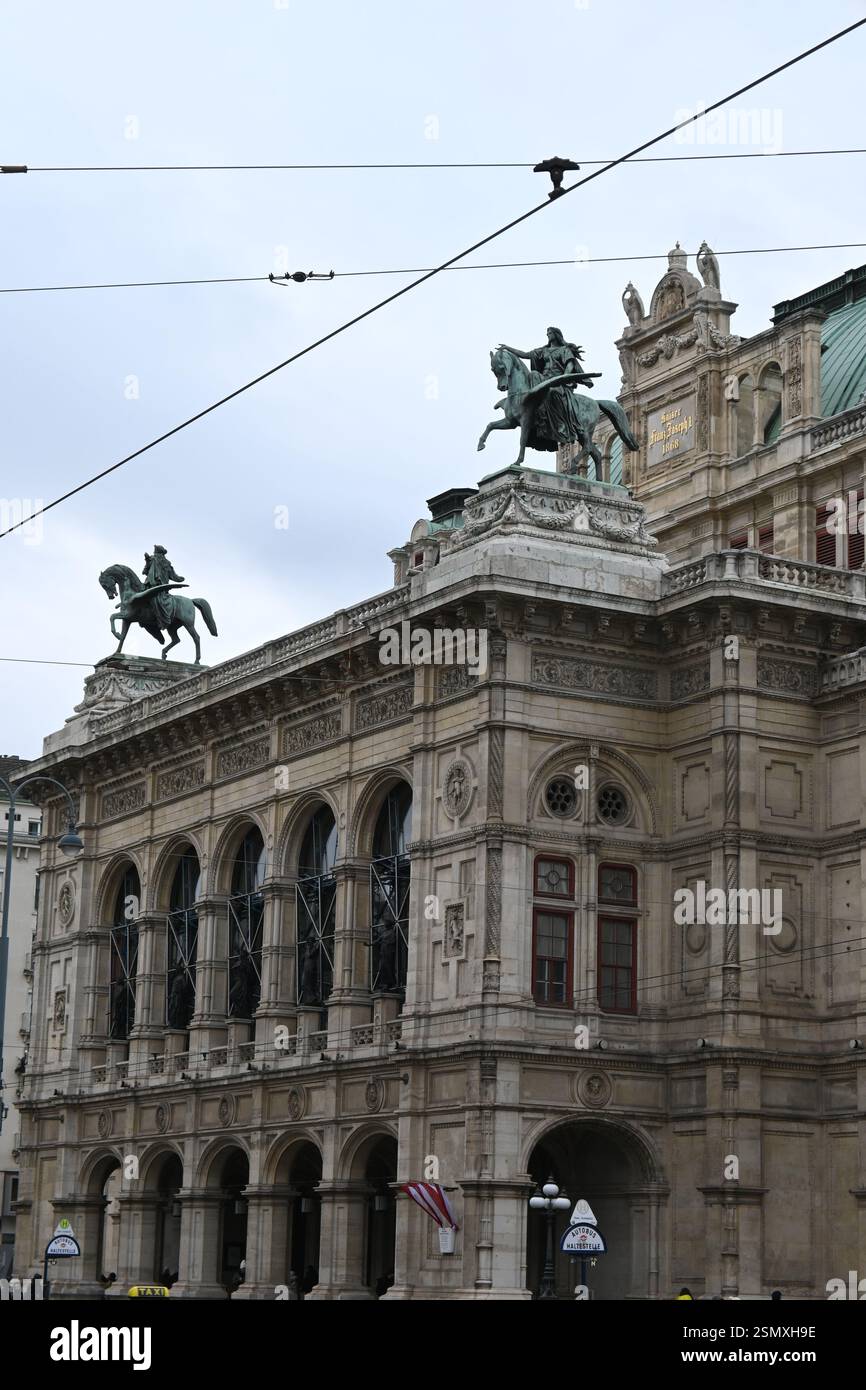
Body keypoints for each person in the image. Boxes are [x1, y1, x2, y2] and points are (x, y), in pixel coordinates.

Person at [498, 328, 597, 450]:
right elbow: (525, 354)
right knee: (534, 375)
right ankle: (534, 415)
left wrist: (564, 377)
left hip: (558, 382)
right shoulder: (543, 351)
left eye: (550, 333)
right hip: (544, 380)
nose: (548, 335)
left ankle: (560, 424)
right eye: (547, 333)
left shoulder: (564, 350)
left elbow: (570, 365)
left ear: (556, 335)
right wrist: (508, 348)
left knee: (553, 393)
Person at [142, 545, 184, 628]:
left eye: (156, 552)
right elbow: (145, 571)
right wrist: (147, 560)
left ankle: (162, 619)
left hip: (159, 586)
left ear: (160, 553)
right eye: (154, 553)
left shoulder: (166, 563)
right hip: (148, 584)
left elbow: (173, 575)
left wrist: (179, 579)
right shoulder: (151, 559)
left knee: (156, 600)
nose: (155, 554)